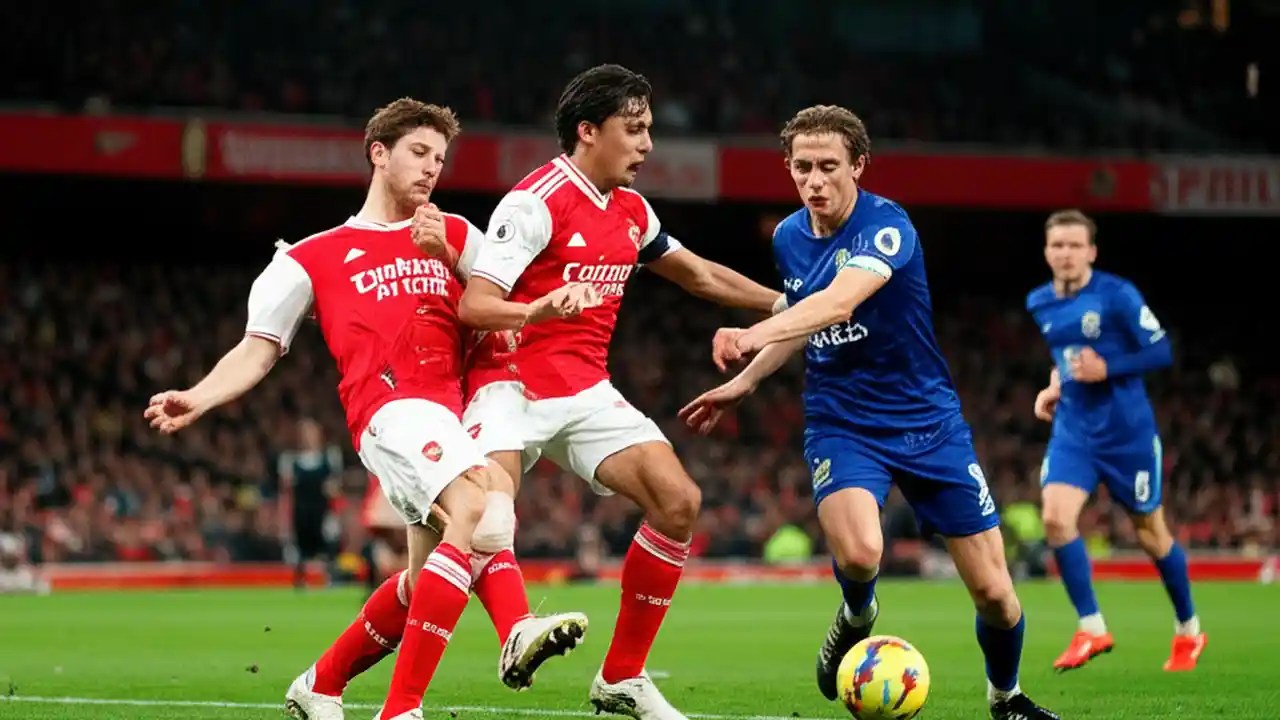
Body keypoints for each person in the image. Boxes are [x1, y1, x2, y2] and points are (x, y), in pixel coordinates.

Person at [144, 98, 592, 720]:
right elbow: (257, 350)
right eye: (418, 153)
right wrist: (198, 395)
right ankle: (407, 706)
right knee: (478, 505)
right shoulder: (311, 256)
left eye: (440, 157)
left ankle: (320, 684)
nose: (432, 168)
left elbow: (505, 318)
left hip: (449, 415)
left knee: (425, 579)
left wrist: (463, 269)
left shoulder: (458, 236)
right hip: (389, 410)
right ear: (378, 154)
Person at [678, 105, 1060, 720]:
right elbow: (803, 319)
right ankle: (858, 613)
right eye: (802, 168)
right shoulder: (788, 237)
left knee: (995, 594)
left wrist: (751, 333)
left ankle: (1005, 697)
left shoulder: (888, 228)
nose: (815, 181)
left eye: (829, 167)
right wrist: (745, 381)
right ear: (789, 169)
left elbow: (836, 303)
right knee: (859, 554)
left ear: (858, 166)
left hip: (930, 424)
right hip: (842, 421)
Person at [448, 64, 782, 719]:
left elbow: (700, 276)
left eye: (649, 129)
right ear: (587, 131)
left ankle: (622, 678)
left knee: (678, 500)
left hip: (585, 389)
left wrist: (791, 304)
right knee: (486, 520)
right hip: (508, 383)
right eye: (634, 129)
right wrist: (541, 310)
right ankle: (514, 630)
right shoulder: (534, 201)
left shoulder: (632, 210)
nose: (647, 143)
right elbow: (475, 305)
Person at [1028, 209, 1204, 672]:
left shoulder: (1117, 295)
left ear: (1091, 251)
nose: (1065, 254)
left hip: (1127, 435)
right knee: (1055, 518)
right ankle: (1091, 627)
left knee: (1151, 534)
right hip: (1074, 431)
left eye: (1074, 245)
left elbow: (1162, 350)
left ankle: (1189, 629)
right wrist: (1055, 385)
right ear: (1047, 252)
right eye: (1057, 245)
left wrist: (1110, 368)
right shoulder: (1039, 302)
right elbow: (1063, 358)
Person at [278, 417, 343, 588]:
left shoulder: (330, 457)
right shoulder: (290, 460)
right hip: (301, 512)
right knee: (301, 549)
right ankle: (300, 581)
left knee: (328, 545)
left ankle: (330, 580)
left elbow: (335, 486)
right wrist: (285, 519)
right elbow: (287, 493)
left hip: (322, 510)